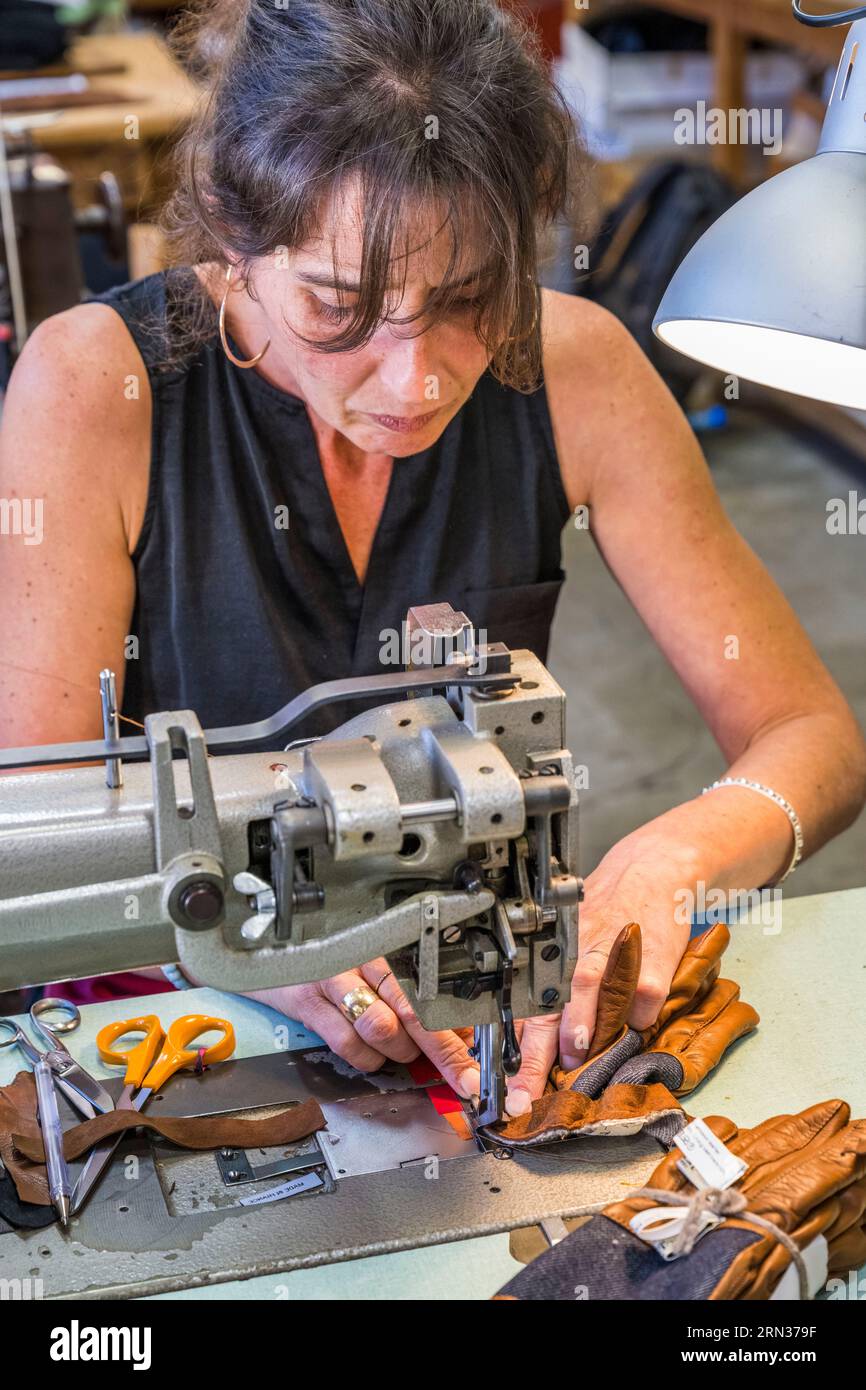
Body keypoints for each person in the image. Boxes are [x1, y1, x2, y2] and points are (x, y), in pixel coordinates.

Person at [1, 0, 864, 1117]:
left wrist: (678, 856)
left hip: (469, 994)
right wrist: (253, 938)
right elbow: (38, 837)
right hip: (175, 1009)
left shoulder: (573, 371)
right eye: (337, 306)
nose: (416, 381)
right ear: (231, 239)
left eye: (468, 298)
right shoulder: (93, 394)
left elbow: (811, 738)